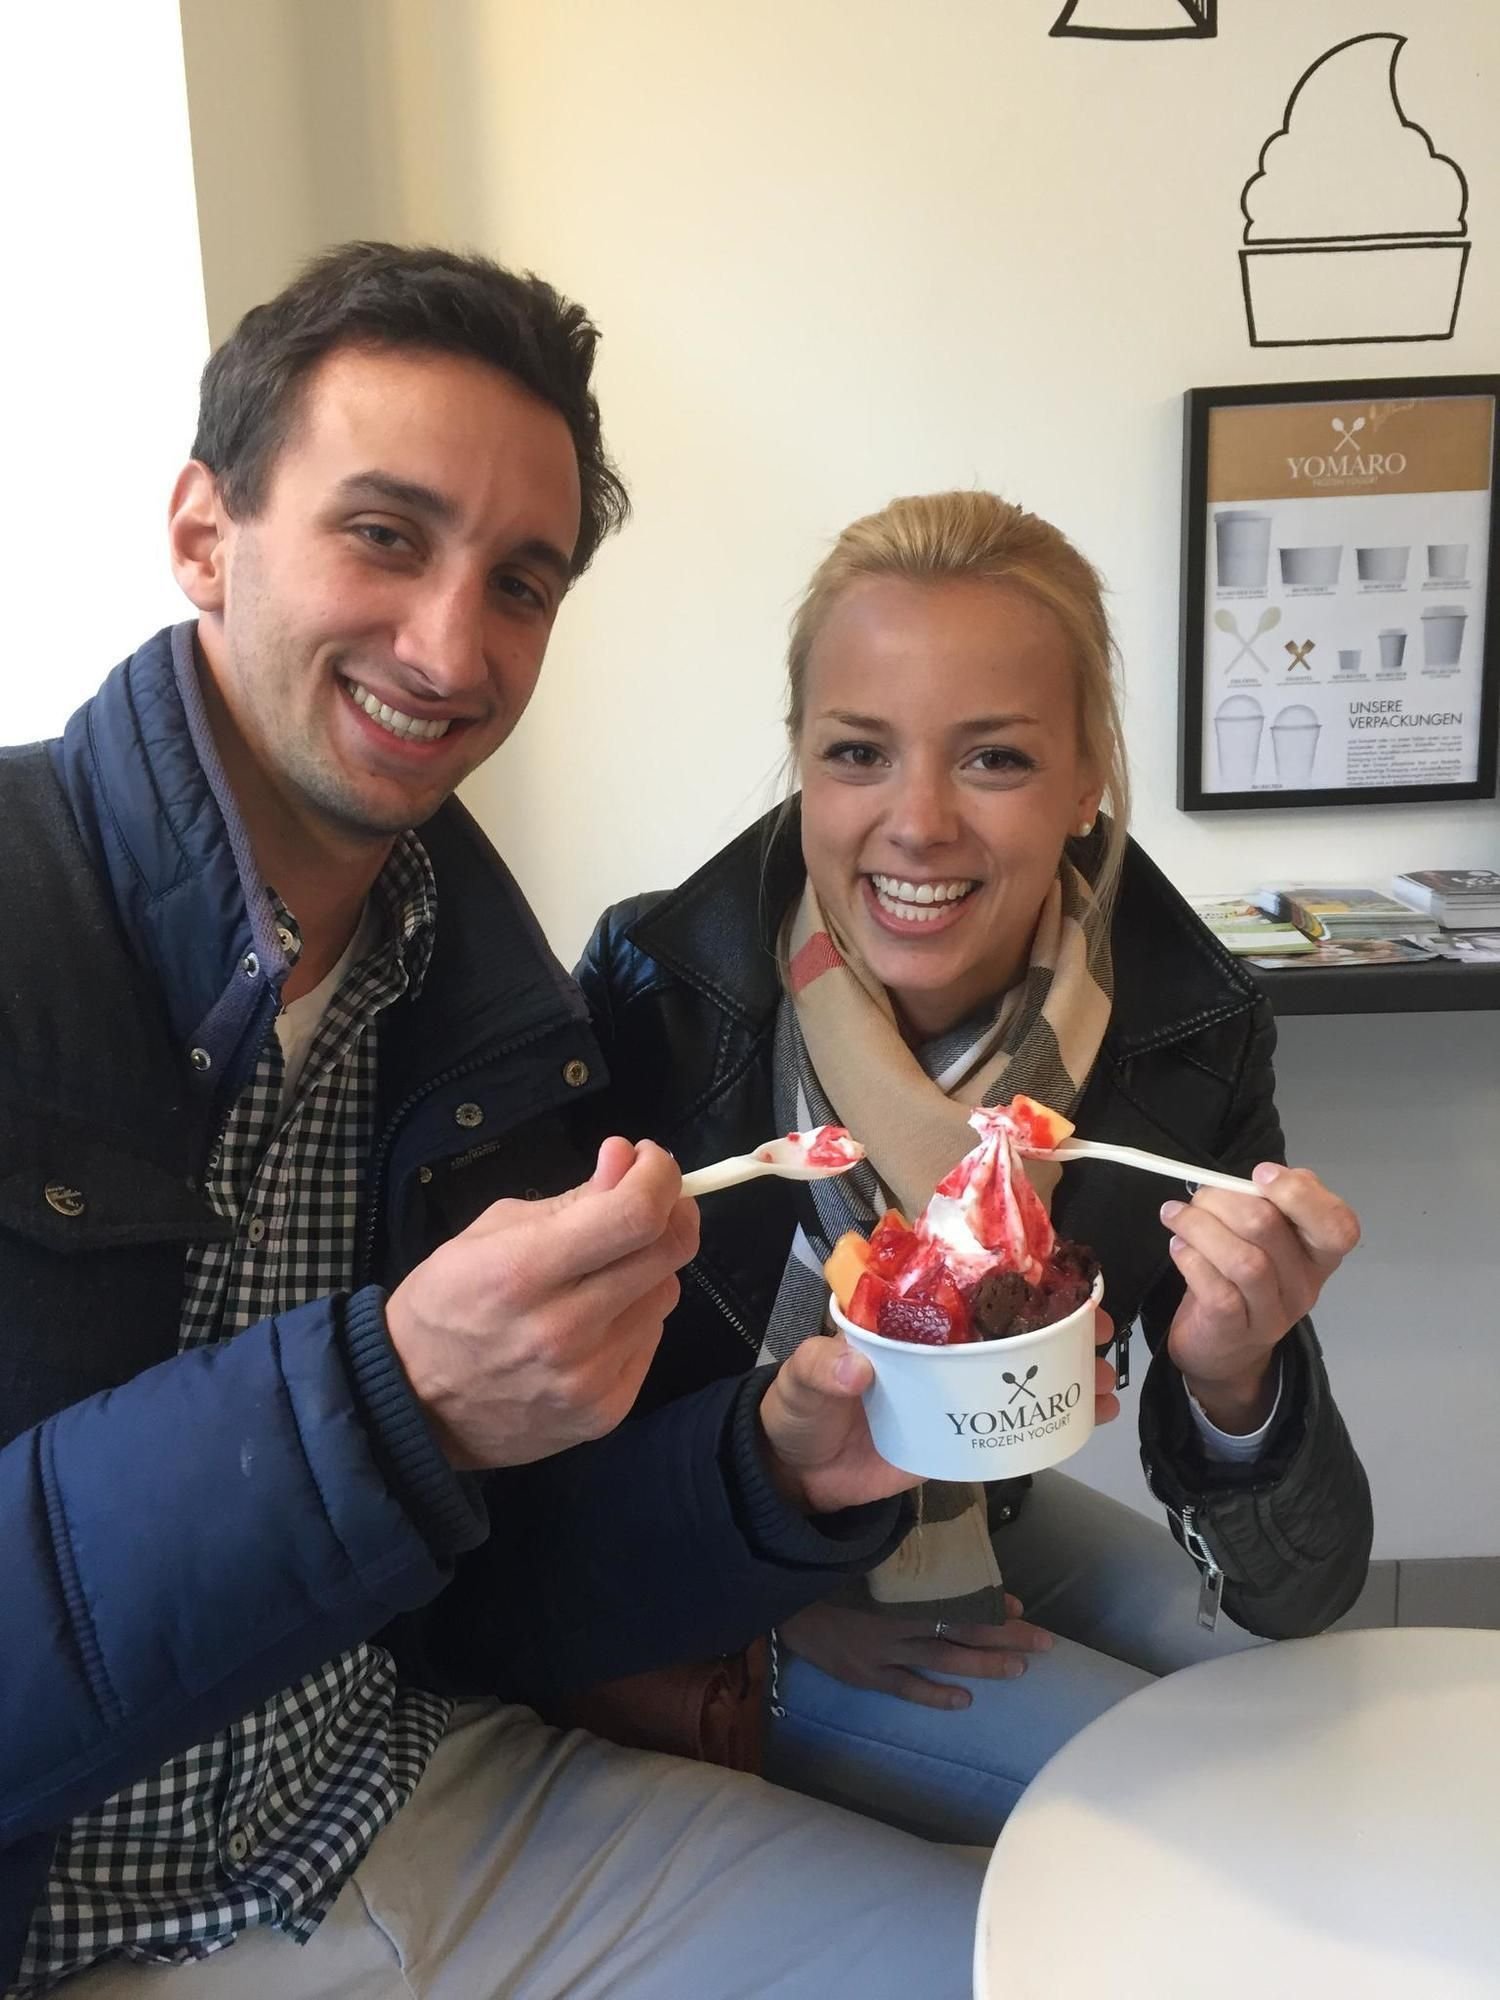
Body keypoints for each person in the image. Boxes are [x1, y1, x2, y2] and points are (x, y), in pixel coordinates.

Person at [0, 249, 990, 1999]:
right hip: (61, 1922)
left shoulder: (497, 1010)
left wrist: (770, 1473)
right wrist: (386, 1402)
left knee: (1041, 1954)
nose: (451, 649)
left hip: (413, 1794)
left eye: (520, 583)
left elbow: (503, 1587)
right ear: (205, 533)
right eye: (384, 535)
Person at [578, 490, 1373, 1845]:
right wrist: (780, 1586)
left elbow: (1304, 1590)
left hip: (977, 1518)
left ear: (1087, 781)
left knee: (1303, 1706)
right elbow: (550, 1471)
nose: (919, 822)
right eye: (858, 753)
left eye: (995, 758)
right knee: (1220, 1820)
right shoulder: (656, 995)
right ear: (801, 760)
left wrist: (1236, 1376)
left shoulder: (1185, 1030)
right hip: (716, 1587)